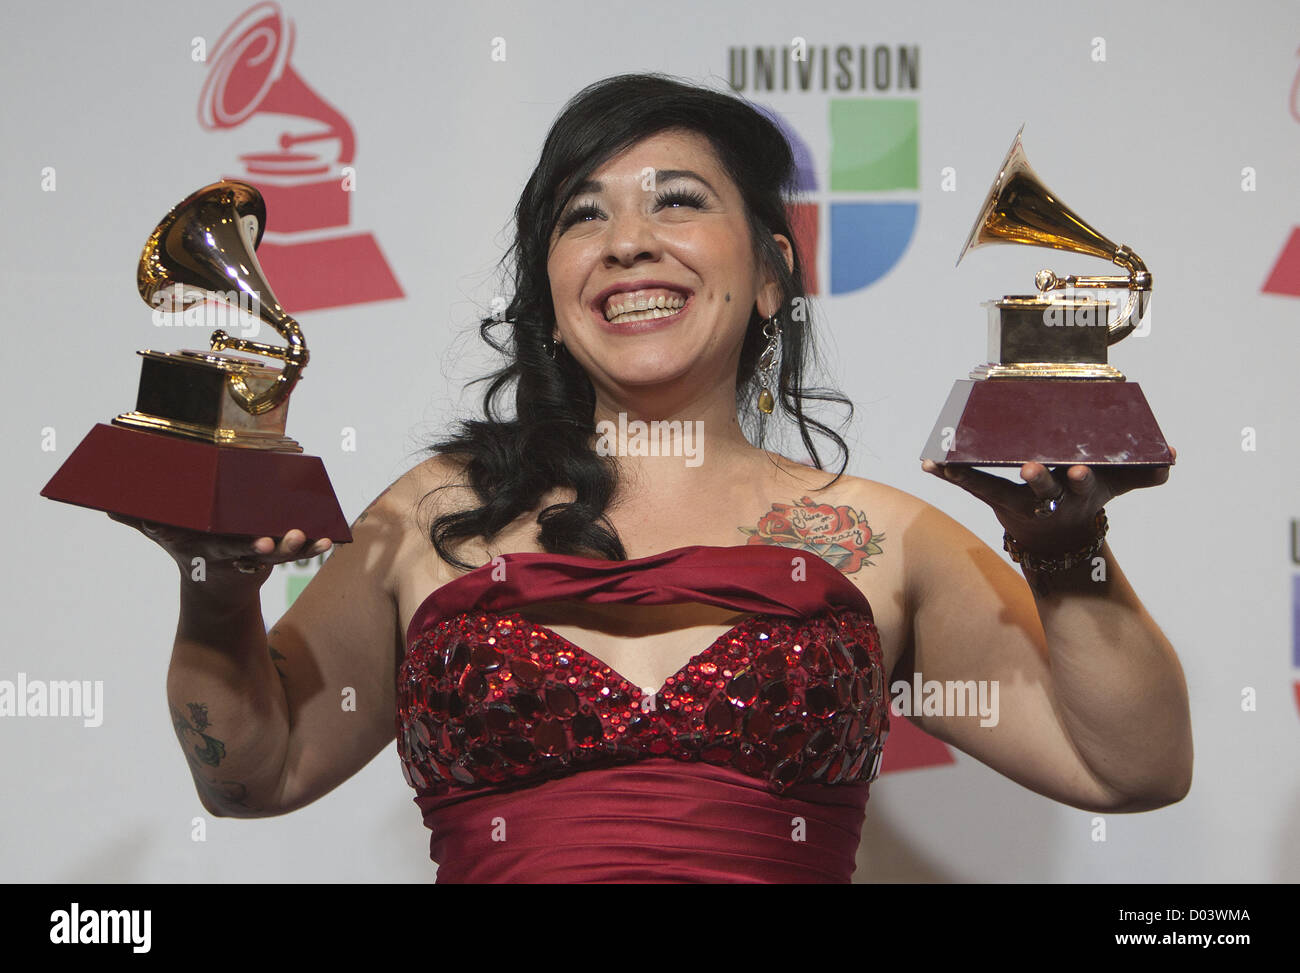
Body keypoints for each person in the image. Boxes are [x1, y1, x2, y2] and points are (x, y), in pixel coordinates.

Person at [112, 72, 1191, 883]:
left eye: (677, 202)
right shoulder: (429, 515)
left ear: (770, 275)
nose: (628, 242)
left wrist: (1064, 553)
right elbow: (248, 776)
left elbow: (1127, 768)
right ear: (549, 291)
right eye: (583, 215)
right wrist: (214, 590)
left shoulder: (886, 539)